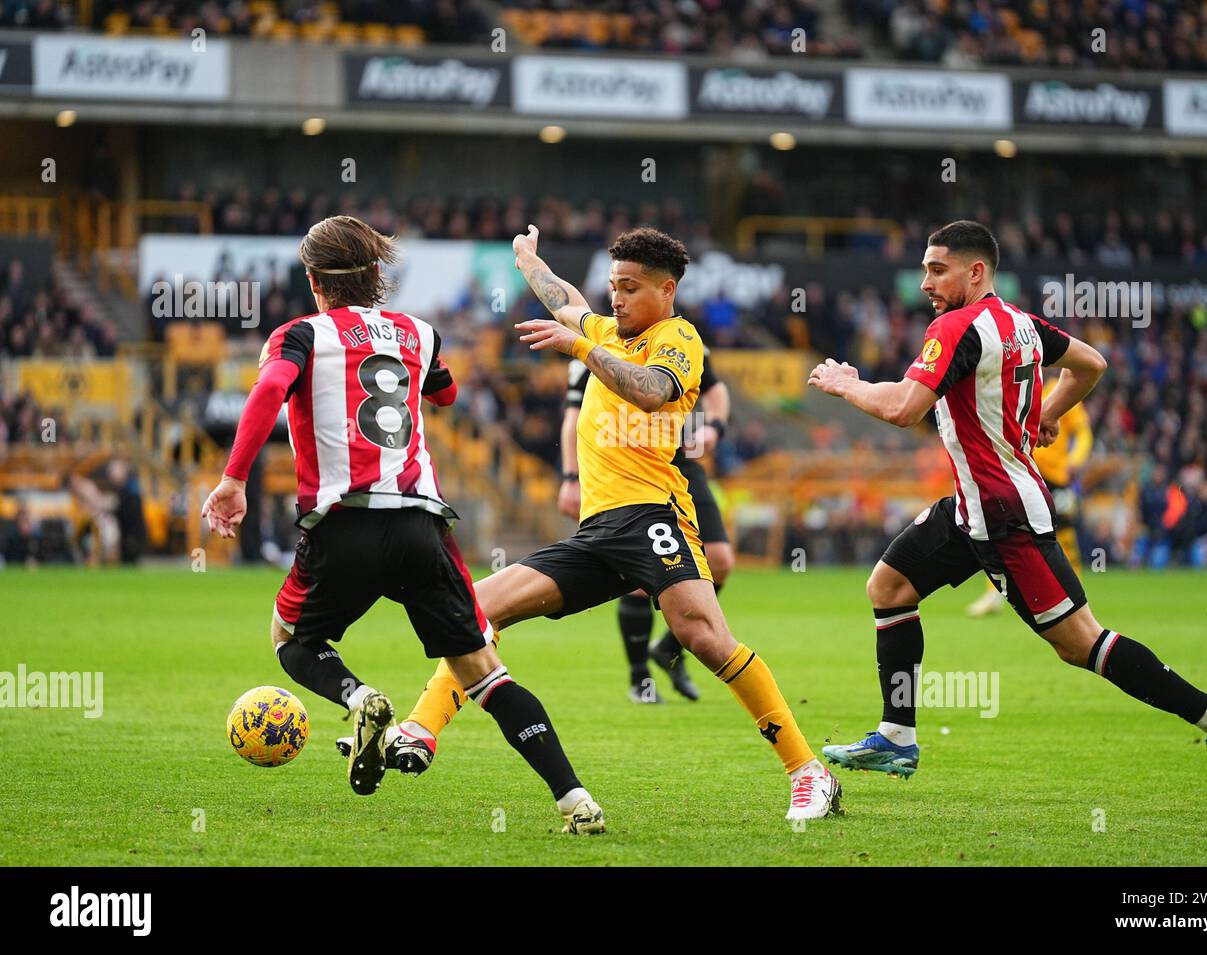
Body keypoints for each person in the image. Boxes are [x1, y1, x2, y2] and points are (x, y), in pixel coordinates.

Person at [395, 225, 842, 820]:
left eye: (630, 288)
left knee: (702, 637)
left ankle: (809, 773)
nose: (617, 298)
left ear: (667, 290)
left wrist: (580, 348)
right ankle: (420, 731)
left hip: (655, 515)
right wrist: (529, 261)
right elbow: (566, 302)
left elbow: (652, 392)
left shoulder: (677, 339)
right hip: (597, 531)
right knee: (474, 610)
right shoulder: (606, 329)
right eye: (613, 286)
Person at [809, 220, 1207, 789]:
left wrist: (845, 383)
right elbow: (1091, 363)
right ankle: (897, 737)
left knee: (1081, 643)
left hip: (1003, 518)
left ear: (976, 272)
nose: (925, 282)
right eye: (924, 269)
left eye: (936, 269)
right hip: (972, 506)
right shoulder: (1020, 323)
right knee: (889, 586)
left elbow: (904, 407)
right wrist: (1048, 411)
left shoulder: (956, 326)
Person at [201, 215, 605, 833]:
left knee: (292, 642)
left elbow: (268, 393)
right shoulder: (419, 332)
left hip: (342, 526)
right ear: (376, 276)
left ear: (313, 281)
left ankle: (361, 699)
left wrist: (234, 478)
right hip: (421, 524)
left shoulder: (298, 336)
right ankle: (575, 799)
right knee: (485, 674)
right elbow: (443, 396)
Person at [559, 350, 734, 703]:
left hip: (677, 461)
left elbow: (716, 391)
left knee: (719, 560)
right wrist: (570, 477)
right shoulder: (599, 347)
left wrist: (714, 427)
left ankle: (669, 648)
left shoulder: (684, 344)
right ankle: (640, 680)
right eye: (621, 291)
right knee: (639, 580)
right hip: (626, 469)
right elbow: (573, 417)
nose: (622, 300)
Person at [967, 369, 1092, 615]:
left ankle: (1074, 589)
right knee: (1000, 530)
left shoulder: (1060, 390)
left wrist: (1075, 459)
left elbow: (1084, 432)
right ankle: (994, 594)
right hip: (1021, 472)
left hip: (1056, 476)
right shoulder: (1017, 385)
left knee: (1063, 532)